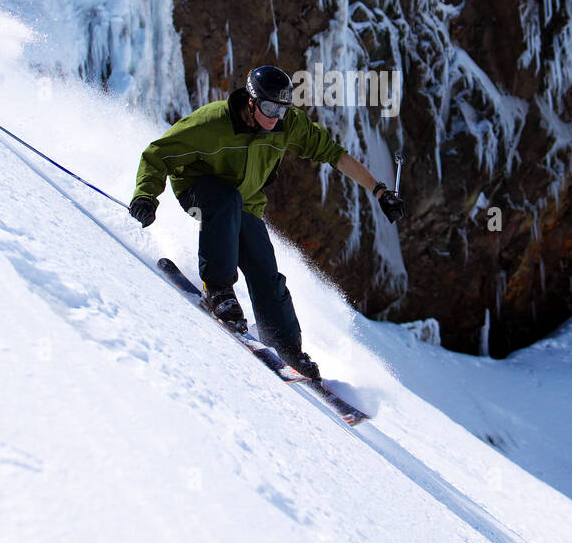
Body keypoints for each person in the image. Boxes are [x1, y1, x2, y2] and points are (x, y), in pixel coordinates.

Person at [129, 64, 405, 379]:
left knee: (264, 267)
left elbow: (335, 155)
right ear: (251, 100)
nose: (275, 116)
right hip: (198, 192)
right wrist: (145, 196)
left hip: (245, 203)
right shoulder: (213, 123)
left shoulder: (286, 127)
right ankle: (218, 291)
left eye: (282, 109)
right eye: (269, 106)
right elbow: (157, 154)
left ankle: (286, 346)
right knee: (226, 201)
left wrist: (380, 191)